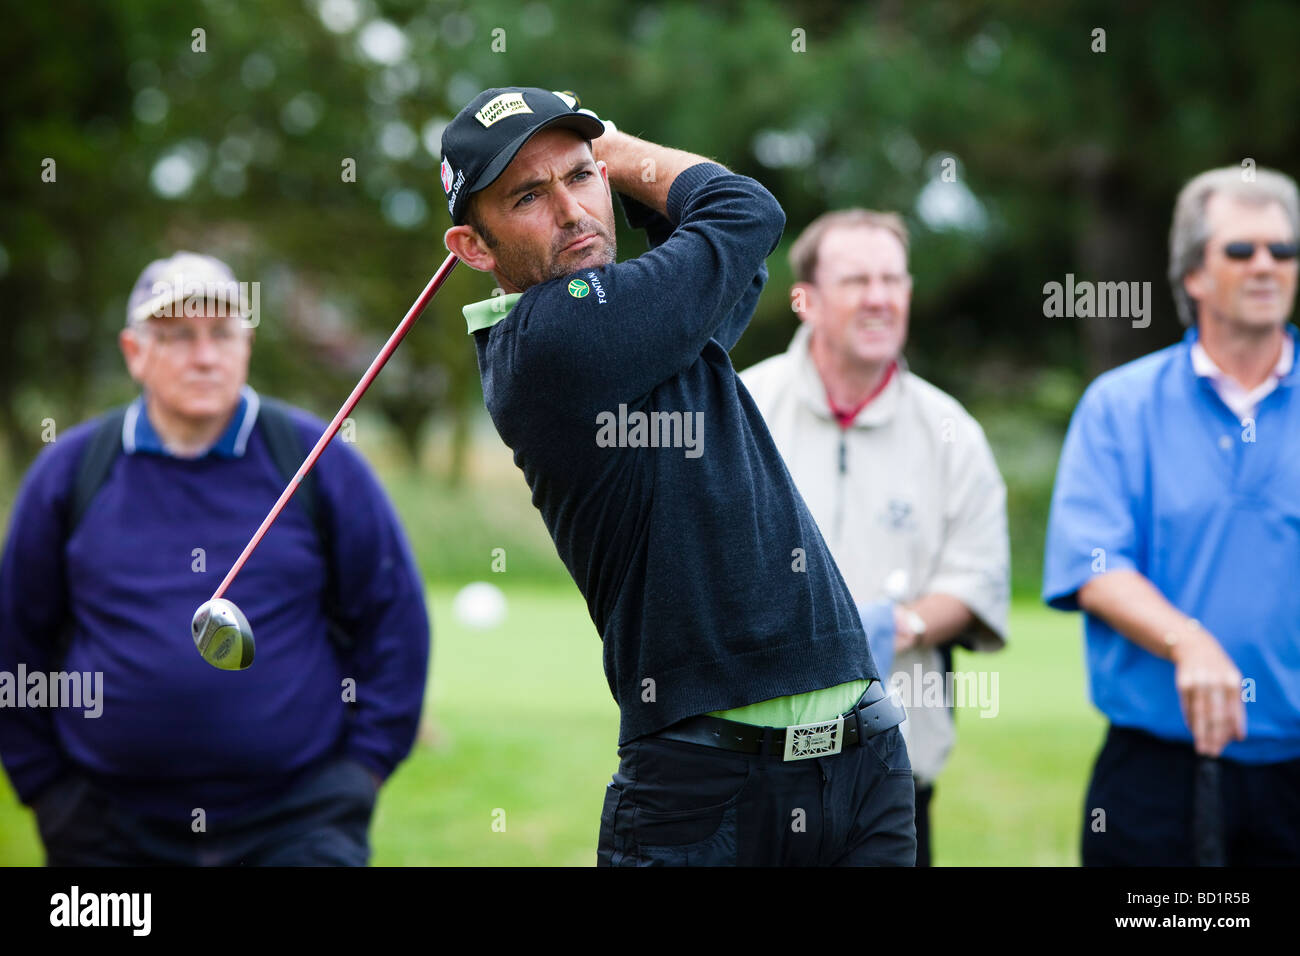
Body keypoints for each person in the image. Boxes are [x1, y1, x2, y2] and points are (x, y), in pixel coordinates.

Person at [440, 87, 914, 867]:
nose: (572, 211)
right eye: (529, 195)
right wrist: (619, 152)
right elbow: (743, 214)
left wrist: (614, 180)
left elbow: (736, 273)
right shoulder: (550, 341)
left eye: (580, 176)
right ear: (474, 248)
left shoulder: (637, 329)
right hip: (705, 788)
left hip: (862, 763)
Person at [0, 252, 430, 866]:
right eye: (177, 336)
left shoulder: (318, 460)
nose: (204, 356)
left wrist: (361, 772)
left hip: (296, 822)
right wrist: (44, 787)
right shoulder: (69, 473)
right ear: (134, 352)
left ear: (246, 345)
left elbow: (394, 624)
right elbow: (16, 640)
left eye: (222, 333)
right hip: (106, 829)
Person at [1043, 165, 1300, 866]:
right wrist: (1188, 640)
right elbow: (1096, 568)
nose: (1266, 267)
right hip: (1156, 775)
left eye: (1282, 251)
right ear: (1193, 275)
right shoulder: (1119, 406)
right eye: (1241, 251)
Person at [741, 209, 1010, 866]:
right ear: (805, 299)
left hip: (893, 769)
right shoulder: (743, 410)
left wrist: (894, 627)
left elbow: (976, 581)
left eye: (893, 280)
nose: (880, 298)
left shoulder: (952, 432)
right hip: (751, 768)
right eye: (857, 280)